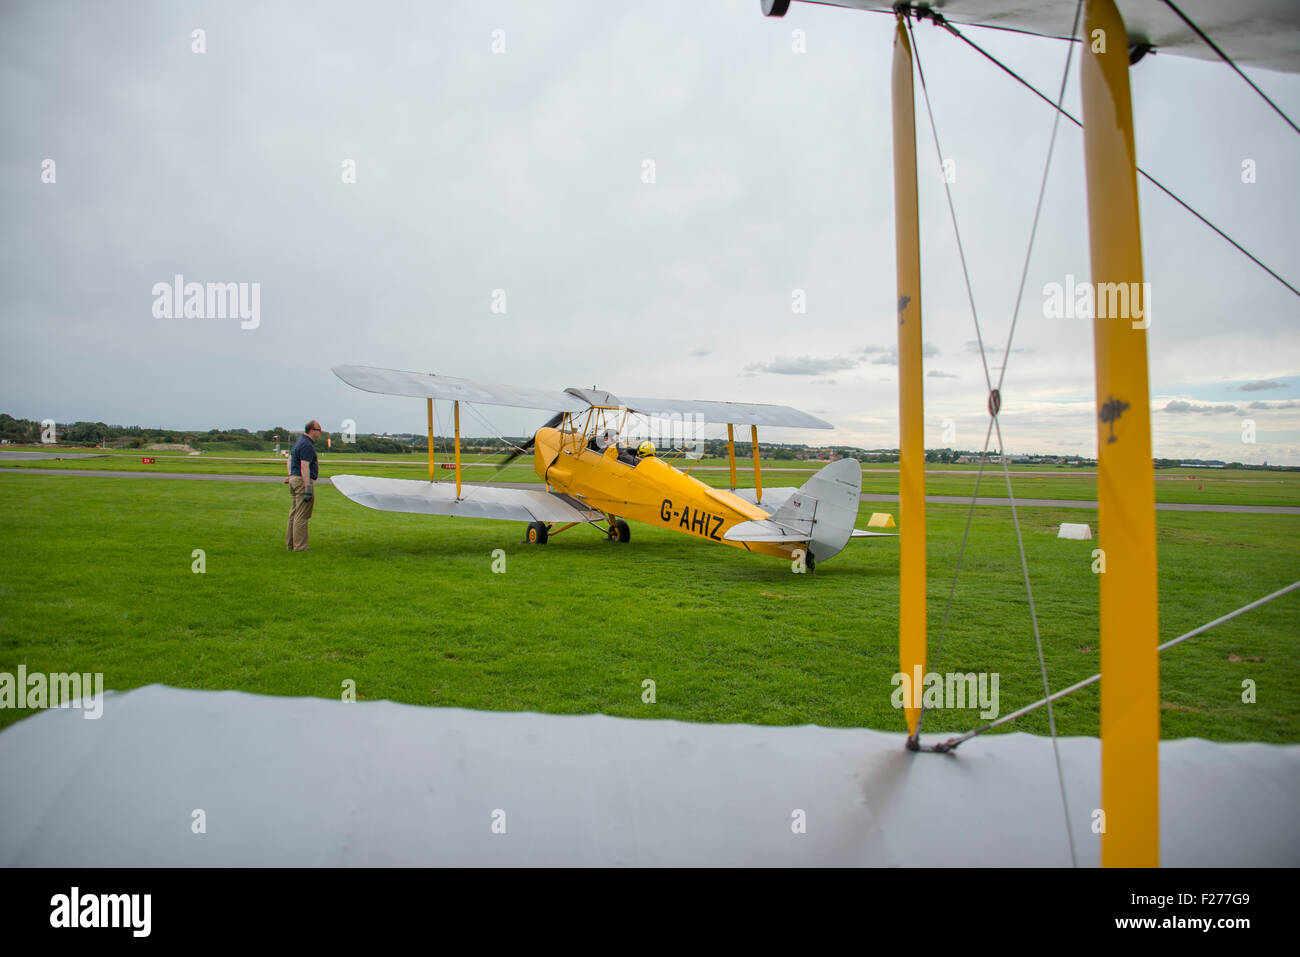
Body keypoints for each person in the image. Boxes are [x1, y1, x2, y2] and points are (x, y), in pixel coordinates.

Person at [286, 420, 321, 551]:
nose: (320, 433)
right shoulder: (307, 445)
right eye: (318, 430)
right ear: (312, 430)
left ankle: (291, 544)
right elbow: (304, 466)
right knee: (302, 515)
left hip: (295, 479)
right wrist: (307, 487)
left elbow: (289, 460)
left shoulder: (299, 442)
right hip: (302, 481)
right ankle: (300, 546)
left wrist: (291, 475)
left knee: (294, 514)